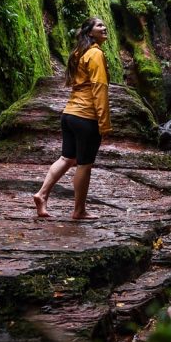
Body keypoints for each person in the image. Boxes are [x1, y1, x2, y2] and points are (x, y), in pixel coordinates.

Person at [32, 17, 111, 219]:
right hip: (86, 117)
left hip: (69, 115)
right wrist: (104, 123)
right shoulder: (95, 54)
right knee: (84, 164)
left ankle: (42, 194)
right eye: (99, 25)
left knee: (67, 158)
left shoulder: (78, 53)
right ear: (89, 32)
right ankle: (79, 210)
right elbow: (99, 88)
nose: (104, 27)